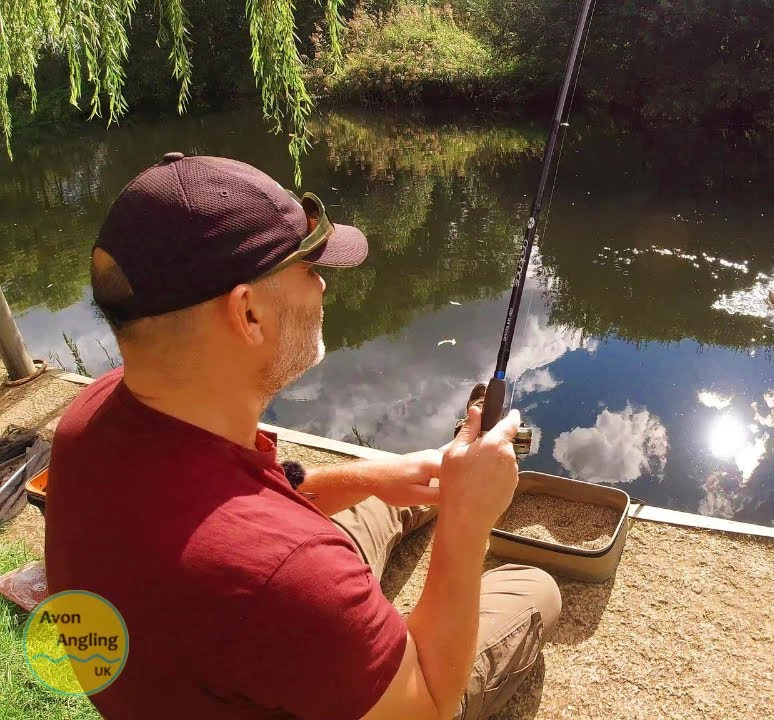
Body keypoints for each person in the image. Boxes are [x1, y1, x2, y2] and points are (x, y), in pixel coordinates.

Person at [44, 153, 560, 720]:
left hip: (212, 638)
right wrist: (466, 523)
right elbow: (425, 708)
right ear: (249, 314)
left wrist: (374, 479)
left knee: (383, 503)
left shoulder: (90, 417)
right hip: (295, 622)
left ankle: (439, 480)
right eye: (311, 268)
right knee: (534, 589)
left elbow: (247, 506)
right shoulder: (292, 575)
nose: (323, 287)